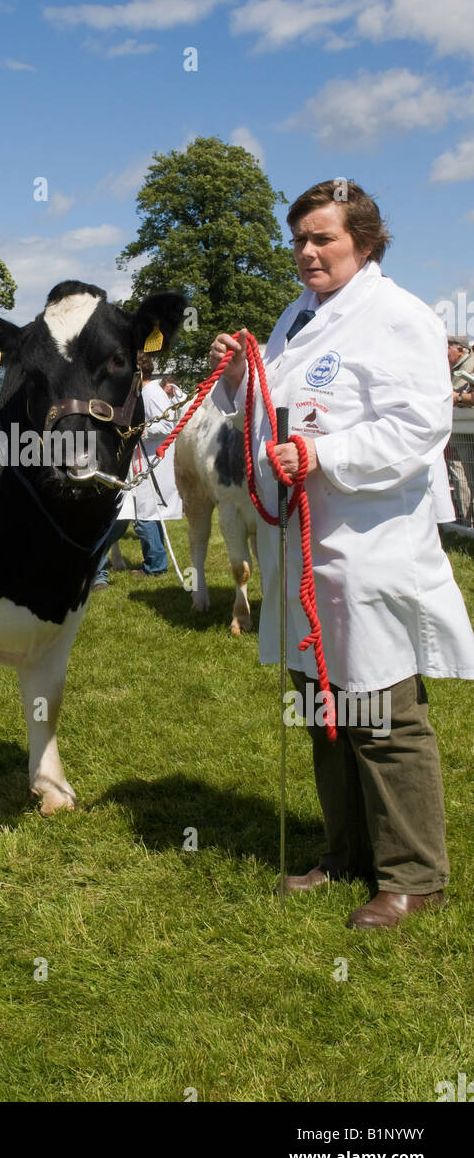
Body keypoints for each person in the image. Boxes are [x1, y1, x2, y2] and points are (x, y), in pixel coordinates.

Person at [209, 180, 474, 929]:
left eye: (321, 238)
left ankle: (414, 874)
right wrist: (239, 380)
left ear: (363, 240)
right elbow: (269, 412)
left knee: (380, 709)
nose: (305, 252)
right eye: (297, 239)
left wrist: (324, 454)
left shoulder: (399, 317)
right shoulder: (295, 317)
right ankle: (346, 851)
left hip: (366, 543)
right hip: (300, 542)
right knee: (322, 703)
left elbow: (417, 425)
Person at [92, 355, 183, 587]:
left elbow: (167, 424)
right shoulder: (148, 392)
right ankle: (154, 564)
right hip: (144, 462)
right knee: (139, 516)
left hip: (149, 463)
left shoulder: (151, 392)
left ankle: (100, 565)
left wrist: (140, 432)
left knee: (138, 516)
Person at [445, 334, 474, 523]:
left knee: (469, 478)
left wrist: (458, 398)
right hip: (455, 432)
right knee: (460, 479)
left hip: (467, 431)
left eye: (447, 349)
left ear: (460, 349)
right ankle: (465, 523)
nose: (444, 354)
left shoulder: (470, 365)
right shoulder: (448, 369)